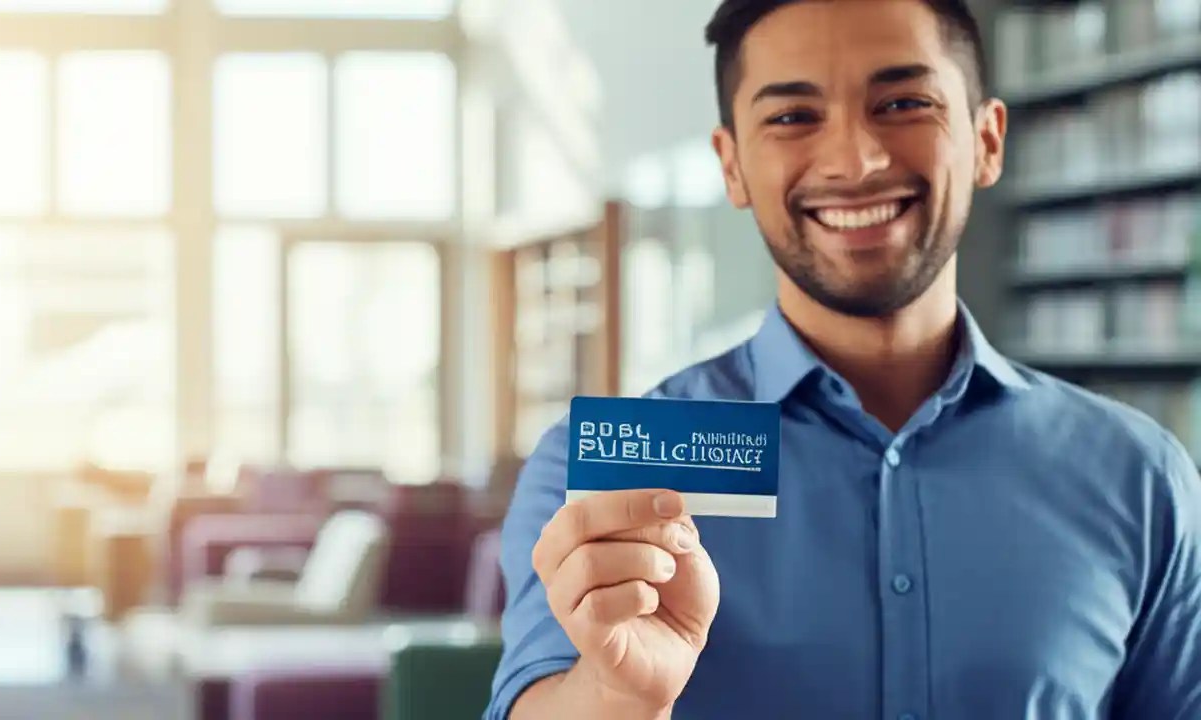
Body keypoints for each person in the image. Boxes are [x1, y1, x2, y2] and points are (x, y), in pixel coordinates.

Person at [485, 0, 1201, 718]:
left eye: (904, 102)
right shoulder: (609, 475)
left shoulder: (1141, 479)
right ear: (731, 166)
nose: (856, 161)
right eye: (794, 117)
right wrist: (617, 696)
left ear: (987, 140)